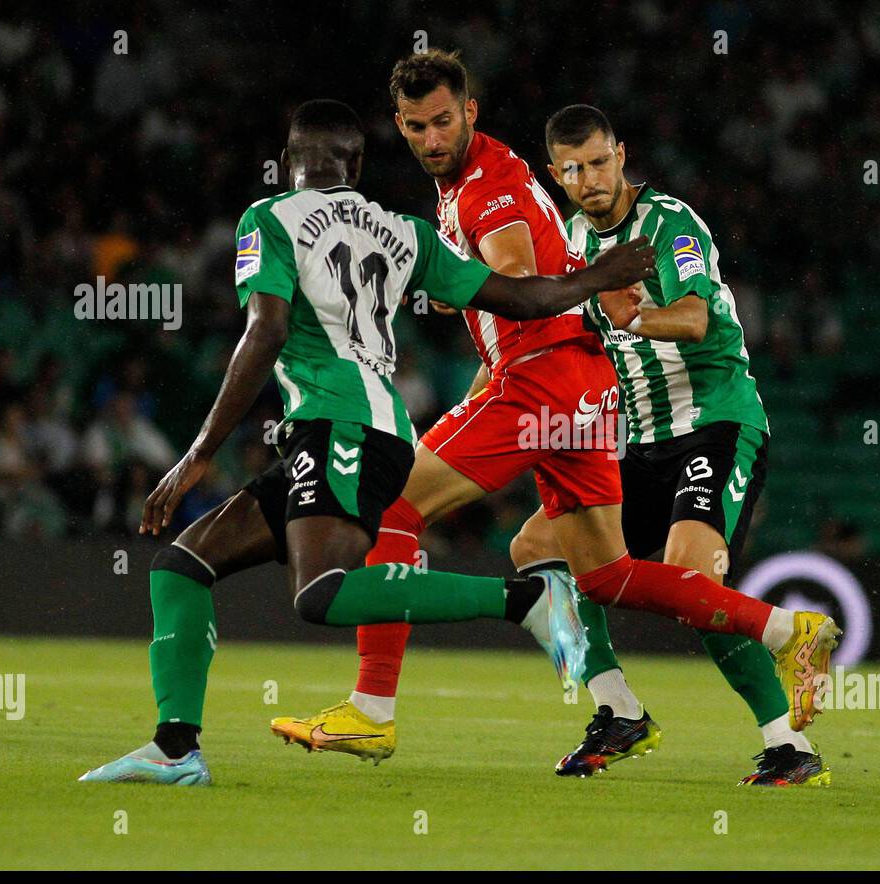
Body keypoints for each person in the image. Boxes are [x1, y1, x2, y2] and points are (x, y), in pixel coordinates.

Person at [284, 53, 839, 774]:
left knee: (391, 506)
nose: (431, 138)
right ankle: (635, 702)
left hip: (700, 420)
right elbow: (518, 296)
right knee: (577, 566)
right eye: (417, 126)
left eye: (443, 121)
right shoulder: (539, 219)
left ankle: (372, 710)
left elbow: (527, 282)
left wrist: (559, 302)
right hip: (604, 412)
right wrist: (473, 318)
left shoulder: (555, 204)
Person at [78, 98, 657, 787]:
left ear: (288, 161)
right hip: (346, 433)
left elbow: (263, 331)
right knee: (181, 565)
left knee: (319, 593)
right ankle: (176, 749)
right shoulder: (403, 230)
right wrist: (600, 274)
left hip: (345, 429)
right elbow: (523, 299)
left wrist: (199, 451)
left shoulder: (267, 219)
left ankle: (524, 603)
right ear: (356, 165)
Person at [506, 105, 833, 786]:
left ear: (620, 155)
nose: (589, 178)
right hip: (636, 442)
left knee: (697, 585)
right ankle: (615, 707)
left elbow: (695, 317)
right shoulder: (564, 241)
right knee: (537, 548)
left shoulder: (669, 224)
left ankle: (790, 748)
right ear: (554, 174)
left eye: (599, 162)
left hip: (716, 425)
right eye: (573, 169)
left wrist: (636, 316)